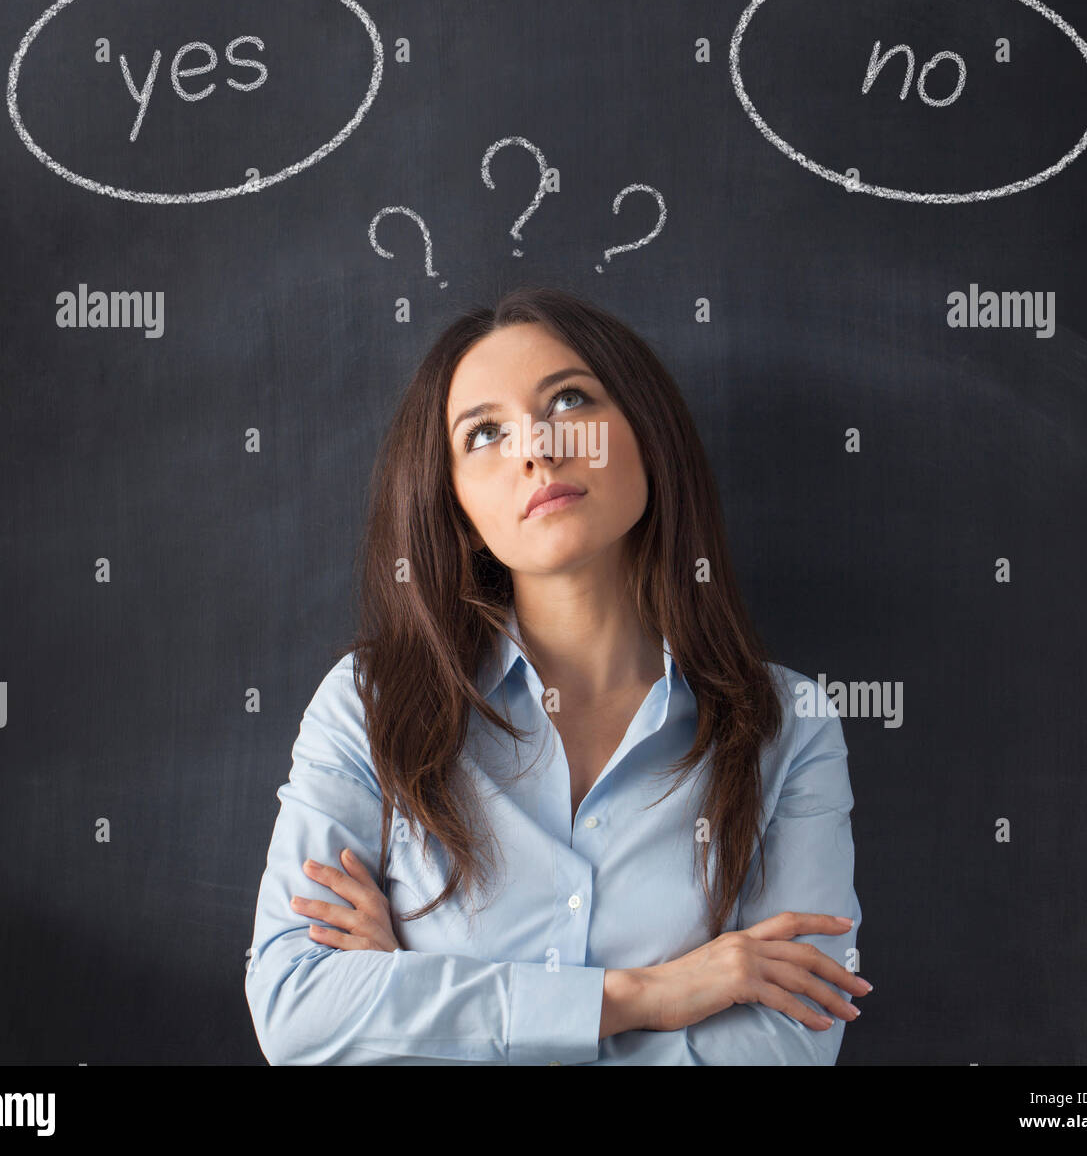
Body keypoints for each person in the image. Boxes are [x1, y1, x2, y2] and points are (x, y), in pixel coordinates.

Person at [244, 285, 868, 1064]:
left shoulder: (790, 725)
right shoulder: (369, 708)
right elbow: (297, 1007)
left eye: (569, 400)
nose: (535, 449)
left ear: (646, 431)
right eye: (484, 435)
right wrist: (649, 995)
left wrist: (411, 992)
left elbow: (782, 1047)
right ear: (461, 511)